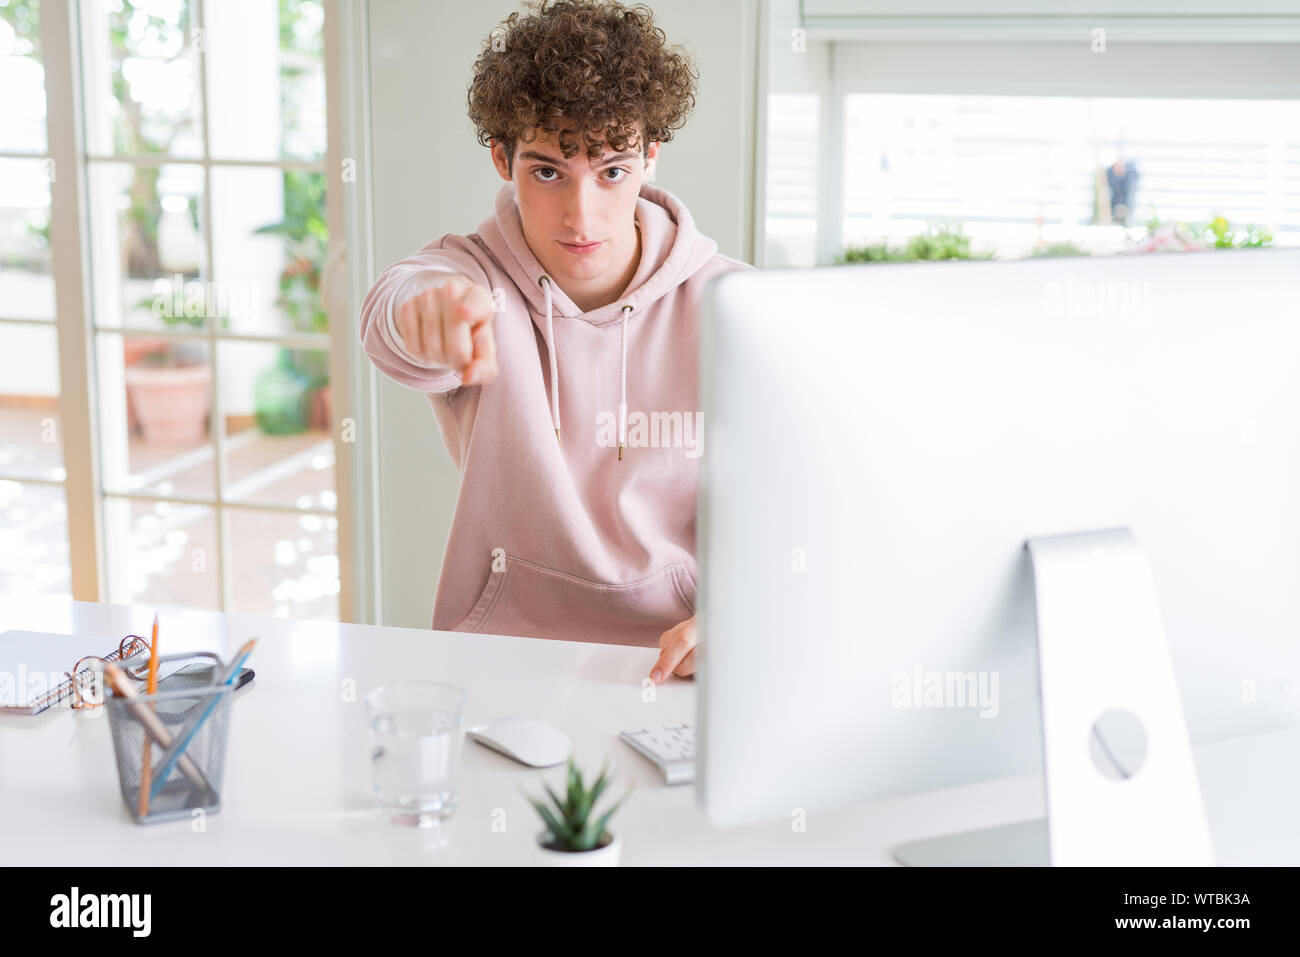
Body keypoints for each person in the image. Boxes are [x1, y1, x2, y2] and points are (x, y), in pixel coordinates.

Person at [358, 0, 754, 683]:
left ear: (651, 155)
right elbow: (396, 311)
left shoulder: (738, 307)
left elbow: (801, 505)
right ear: (501, 159)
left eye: (612, 172)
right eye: (547, 172)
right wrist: (431, 315)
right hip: (501, 657)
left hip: (677, 660)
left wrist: (750, 613)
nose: (581, 215)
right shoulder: (468, 277)